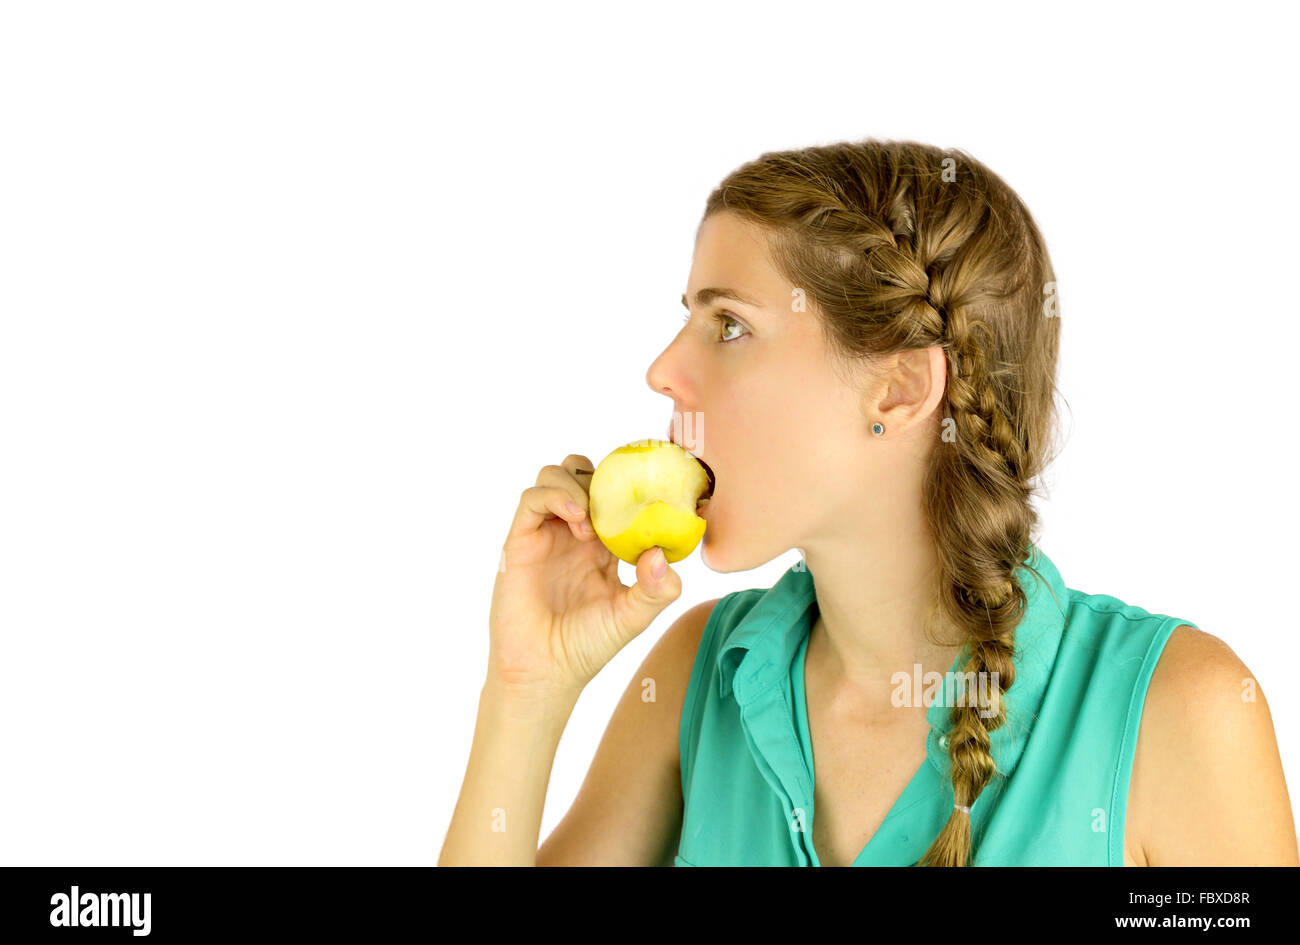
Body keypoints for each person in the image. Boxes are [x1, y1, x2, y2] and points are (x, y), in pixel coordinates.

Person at [438, 139, 1298, 866]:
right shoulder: (703, 676)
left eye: (728, 323)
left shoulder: (1185, 714)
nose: (663, 369)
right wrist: (526, 689)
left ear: (897, 388)